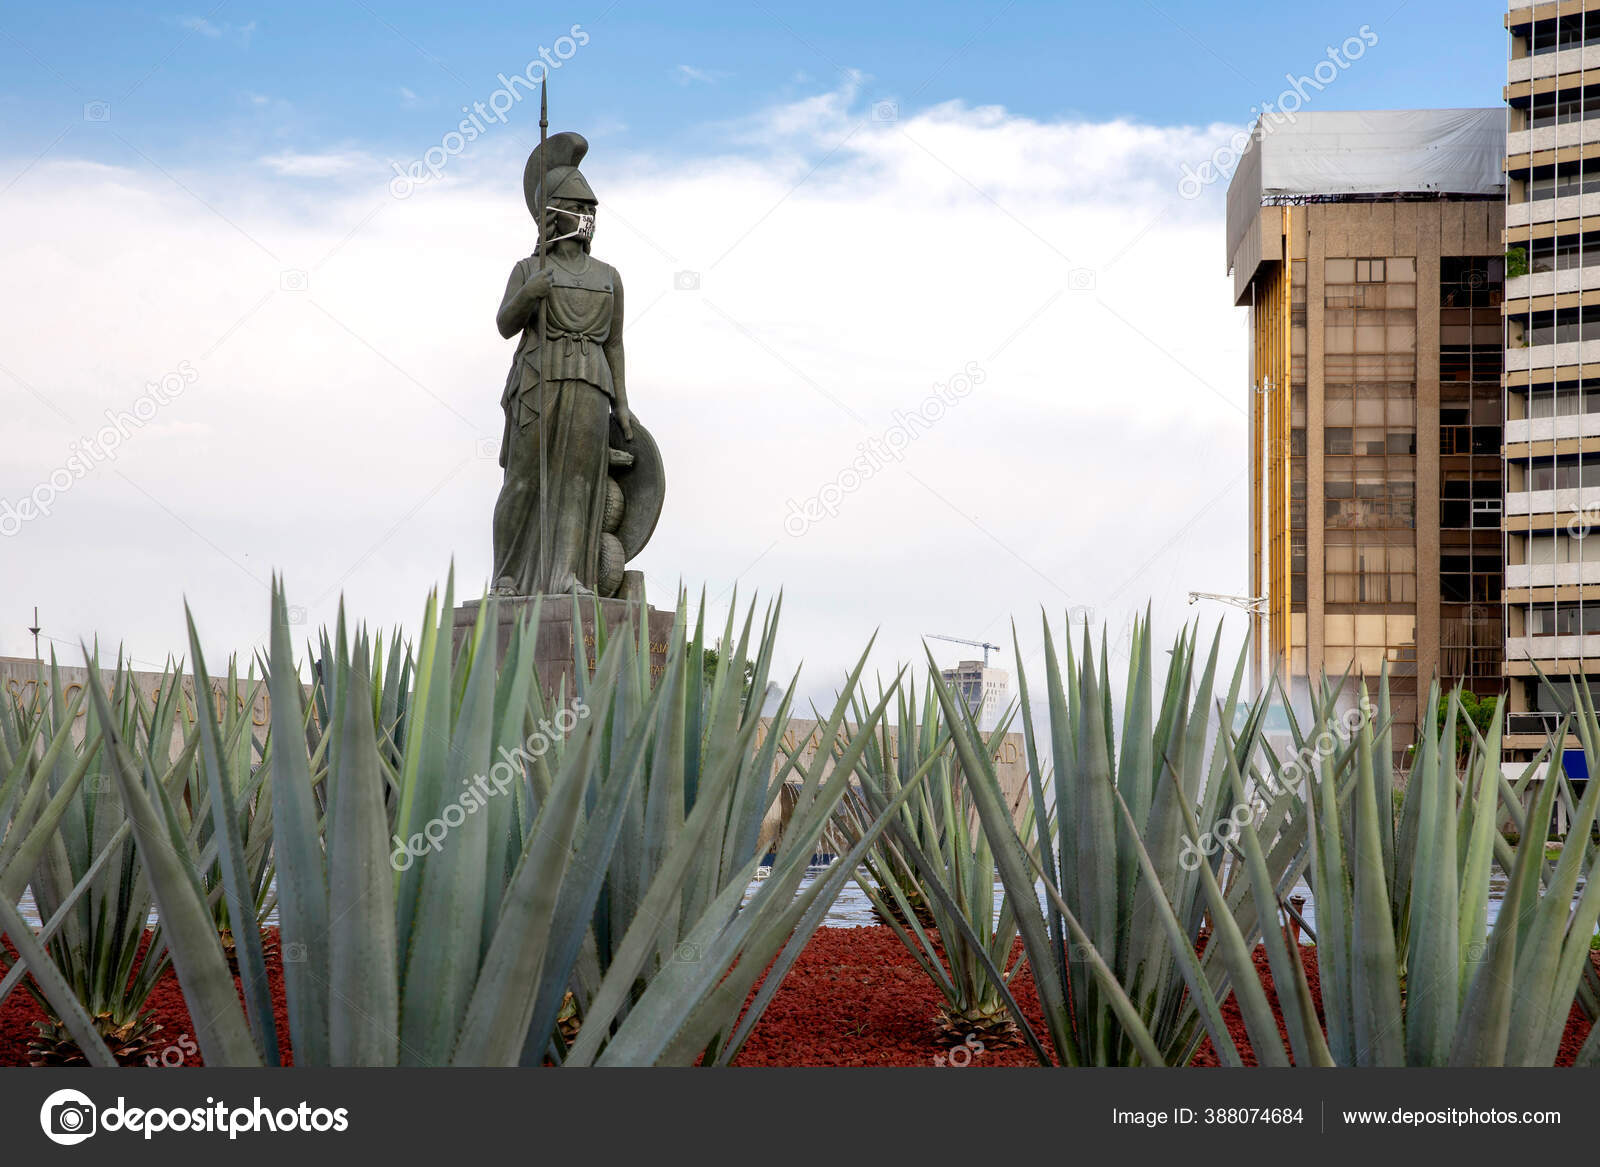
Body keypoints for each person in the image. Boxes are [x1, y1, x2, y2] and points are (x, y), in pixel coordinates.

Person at [492, 132, 631, 595]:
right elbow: (504, 325)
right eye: (579, 206)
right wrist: (529, 296)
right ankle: (507, 576)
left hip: (591, 381)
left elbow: (615, 342)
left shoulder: (608, 277)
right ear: (553, 211)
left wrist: (624, 405)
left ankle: (566, 575)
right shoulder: (529, 270)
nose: (588, 216)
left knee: (577, 483)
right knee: (524, 480)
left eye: (591, 209)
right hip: (539, 379)